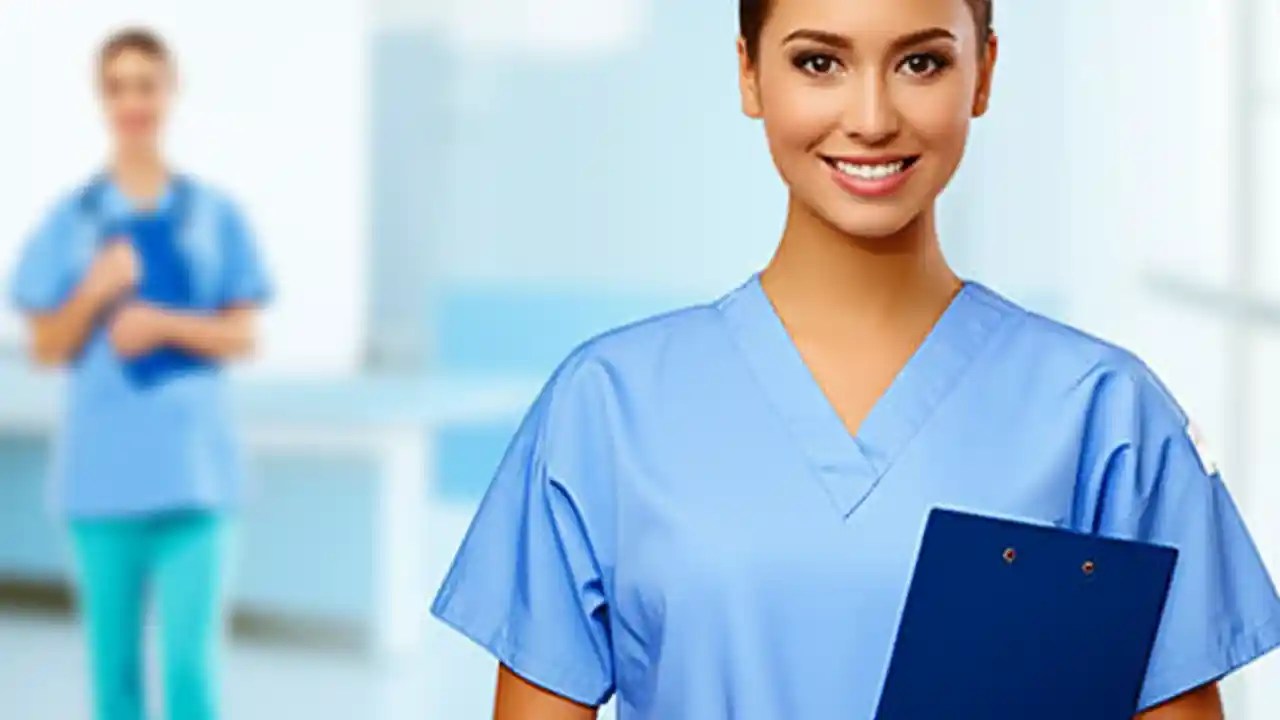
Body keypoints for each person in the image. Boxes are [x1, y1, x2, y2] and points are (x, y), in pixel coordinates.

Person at [430, 0, 1280, 718]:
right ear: (749, 74)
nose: (871, 118)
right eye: (819, 63)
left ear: (983, 73)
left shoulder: (1105, 413)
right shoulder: (608, 406)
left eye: (920, 63)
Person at [8, 28, 272, 720]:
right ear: (102, 99)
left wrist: (162, 323)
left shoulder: (215, 217)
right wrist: (94, 290)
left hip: (196, 481)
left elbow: (244, 334)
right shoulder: (72, 221)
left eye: (146, 85)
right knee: (115, 682)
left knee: (191, 674)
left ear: (170, 91)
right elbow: (46, 347)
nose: (133, 101)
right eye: (118, 87)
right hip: (101, 484)